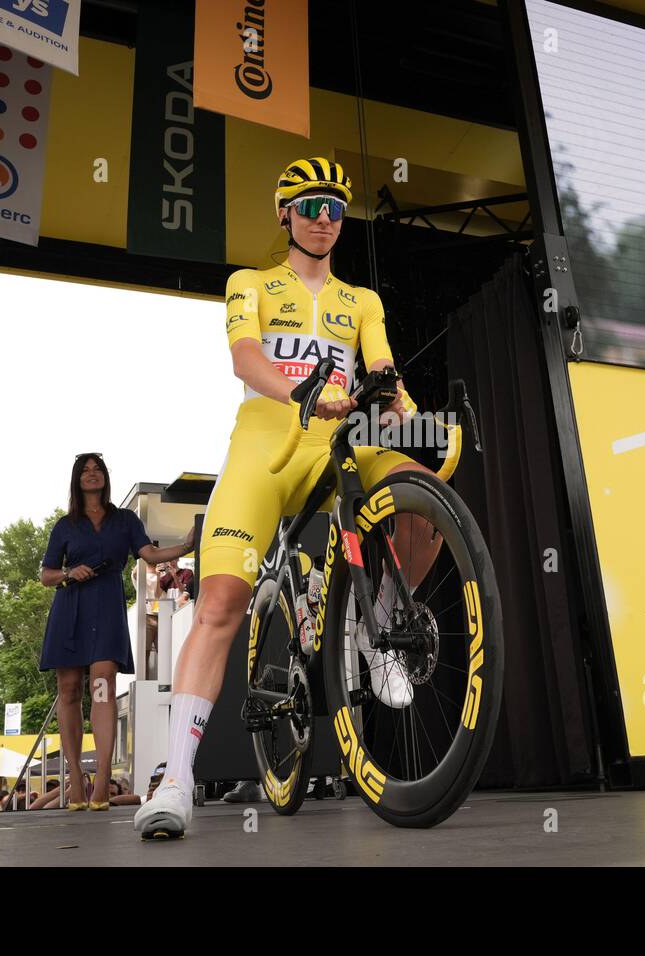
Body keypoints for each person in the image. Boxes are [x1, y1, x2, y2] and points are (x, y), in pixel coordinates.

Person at [134, 157, 443, 840]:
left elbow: (384, 367)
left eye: (335, 207)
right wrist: (302, 390)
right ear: (285, 213)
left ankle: (383, 620)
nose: (324, 219)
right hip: (266, 447)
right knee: (219, 603)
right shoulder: (250, 282)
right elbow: (245, 357)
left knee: (426, 488)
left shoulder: (361, 300)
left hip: (339, 440)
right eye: (310, 206)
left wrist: (400, 406)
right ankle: (177, 780)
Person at [39, 454, 191, 812]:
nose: (92, 475)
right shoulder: (64, 525)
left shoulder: (125, 520)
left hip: (106, 607)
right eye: (85, 471)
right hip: (69, 610)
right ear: (77, 480)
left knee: (103, 684)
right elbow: (46, 574)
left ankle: (102, 778)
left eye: (98, 470)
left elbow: (149, 554)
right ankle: (76, 777)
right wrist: (67, 573)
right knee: (69, 689)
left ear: (105, 478)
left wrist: (187, 545)